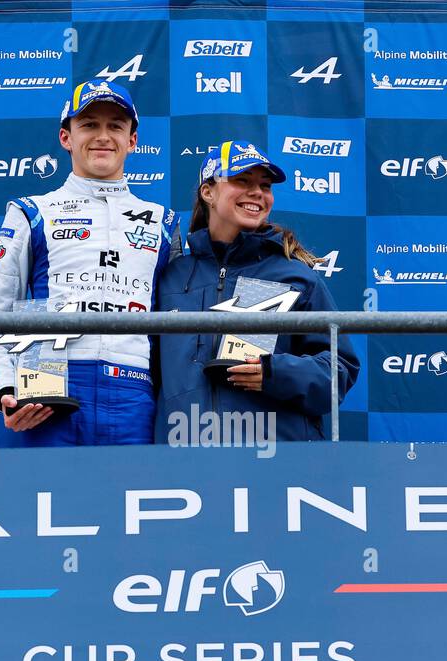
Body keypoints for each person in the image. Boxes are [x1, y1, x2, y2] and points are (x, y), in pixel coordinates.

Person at [0, 79, 178, 446]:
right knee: (55, 503)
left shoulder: (164, 222)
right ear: (66, 137)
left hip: (134, 391)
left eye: (115, 126)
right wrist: (4, 387)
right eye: (89, 125)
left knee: (130, 499)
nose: (102, 136)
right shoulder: (32, 211)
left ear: (132, 140)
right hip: (50, 391)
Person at [152, 140, 359, 442]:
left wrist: (277, 373)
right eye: (242, 181)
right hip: (186, 458)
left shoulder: (294, 275)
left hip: (276, 462)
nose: (257, 193)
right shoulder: (171, 277)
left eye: (265, 185)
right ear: (207, 192)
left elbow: (340, 370)